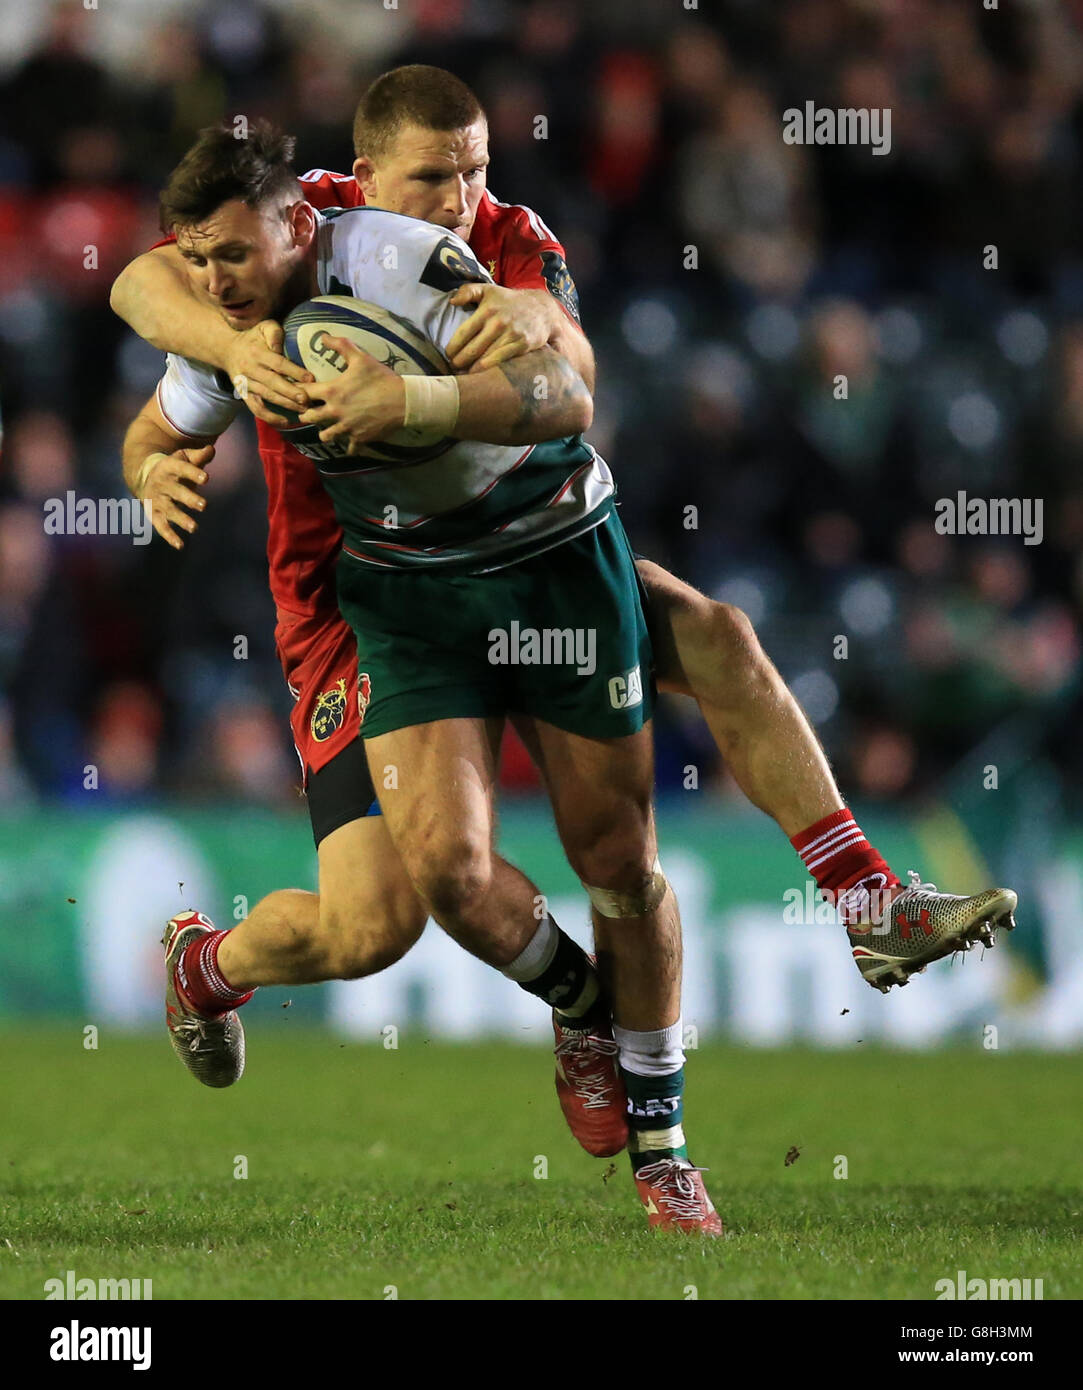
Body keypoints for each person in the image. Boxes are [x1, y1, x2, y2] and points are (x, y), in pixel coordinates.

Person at [111, 67, 1016, 1233]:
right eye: (433, 175)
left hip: (540, 552)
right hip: (360, 607)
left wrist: (443, 388)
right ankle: (215, 964)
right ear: (364, 174)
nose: (459, 196)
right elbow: (150, 282)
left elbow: (564, 374)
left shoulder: (496, 244)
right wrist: (167, 441)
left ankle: (823, 941)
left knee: (685, 722)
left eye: (476, 167)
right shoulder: (286, 237)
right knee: (376, 920)